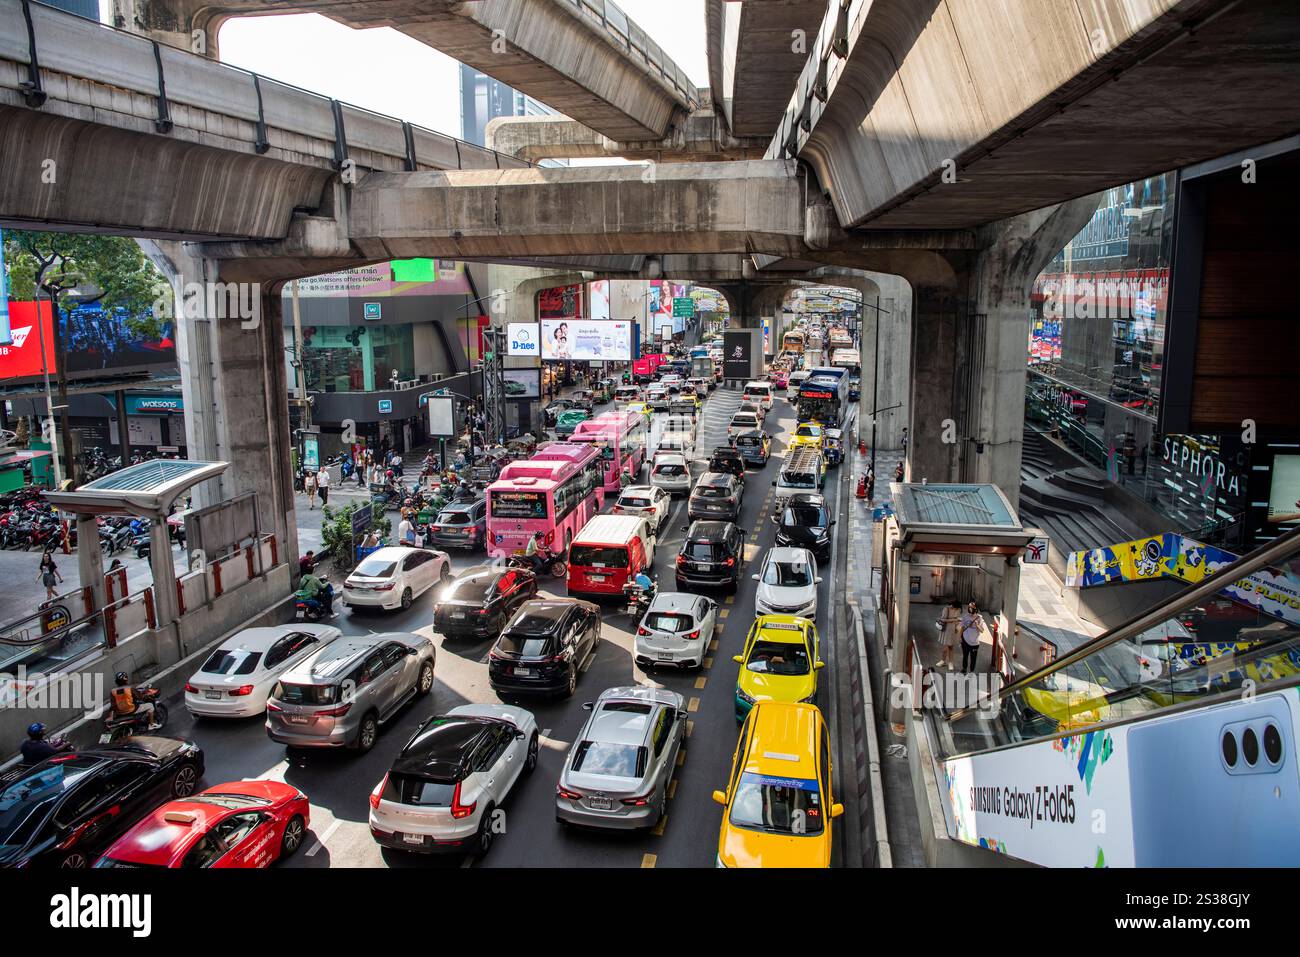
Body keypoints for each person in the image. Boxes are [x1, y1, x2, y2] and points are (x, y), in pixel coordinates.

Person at [937, 600, 961, 670]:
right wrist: (953, 620)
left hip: (953, 630)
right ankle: (943, 661)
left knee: (951, 647)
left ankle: (950, 663)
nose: (955, 608)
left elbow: (957, 619)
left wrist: (957, 627)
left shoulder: (958, 609)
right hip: (946, 630)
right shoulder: (946, 609)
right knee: (945, 647)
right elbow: (942, 619)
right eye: (954, 607)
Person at [959, 602, 983, 674]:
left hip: (975, 642)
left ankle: (972, 671)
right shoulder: (965, 616)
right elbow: (962, 628)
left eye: (971, 607)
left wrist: (977, 625)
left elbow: (982, 630)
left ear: (976, 609)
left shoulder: (979, 618)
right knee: (965, 656)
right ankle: (964, 669)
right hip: (965, 640)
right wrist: (960, 637)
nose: (970, 609)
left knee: (973, 658)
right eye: (969, 607)